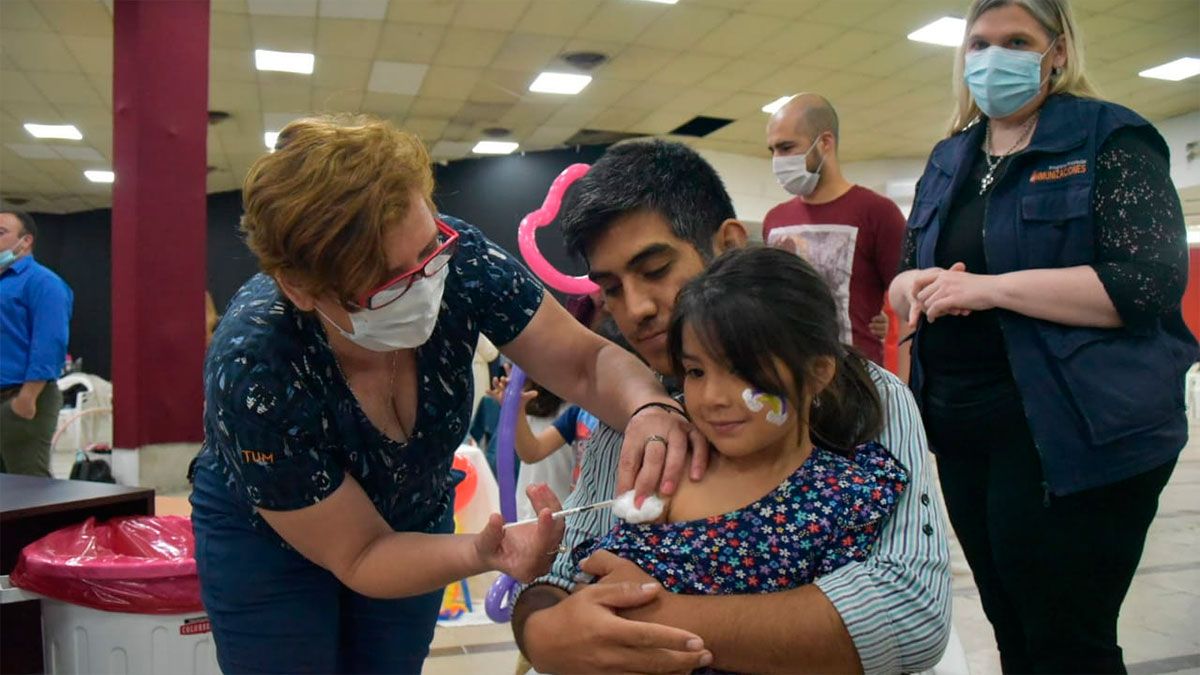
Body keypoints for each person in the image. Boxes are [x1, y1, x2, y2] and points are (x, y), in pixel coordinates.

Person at [188, 115, 696, 674]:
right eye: (390, 281)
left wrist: (650, 407)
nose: (428, 280)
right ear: (302, 289)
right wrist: (480, 552)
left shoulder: (461, 258)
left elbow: (584, 362)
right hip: (269, 542)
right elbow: (360, 552)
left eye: (430, 247)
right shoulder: (255, 368)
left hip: (413, 507)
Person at [512, 139, 950, 674]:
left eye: (655, 270)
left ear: (728, 244)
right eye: (612, 289)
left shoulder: (862, 393)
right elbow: (569, 574)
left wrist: (657, 613)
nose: (637, 309)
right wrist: (539, 625)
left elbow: (908, 615)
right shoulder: (629, 411)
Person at [887, 0, 1196, 671]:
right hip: (962, 426)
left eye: (1017, 41)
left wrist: (991, 288)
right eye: (979, 44)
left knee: (1066, 641)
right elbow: (908, 270)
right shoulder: (951, 156)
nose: (992, 58)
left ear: (1057, 52)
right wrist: (912, 286)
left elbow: (1146, 283)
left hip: (1071, 429)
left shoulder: (1109, 137)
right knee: (1012, 628)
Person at [572, 247, 909, 609]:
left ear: (817, 374)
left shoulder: (847, 499)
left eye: (742, 370)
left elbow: (840, 627)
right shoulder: (672, 470)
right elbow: (597, 579)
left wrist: (658, 611)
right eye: (696, 371)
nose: (712, 398)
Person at [765, 93, 907, 367]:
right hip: (789, 376)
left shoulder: (877, 212)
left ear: (825, 143)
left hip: (856, 379)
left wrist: (904, 384)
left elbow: (909, 309)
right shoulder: (775, 219)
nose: (777, 160)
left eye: (786, 147)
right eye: (772, 151)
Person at [0, 210, 73, 477]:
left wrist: (27, 398)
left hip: (22, 396)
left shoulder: (44, 282)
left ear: (26, 241)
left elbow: (49, 342)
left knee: (27, 486)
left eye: (1, 233)